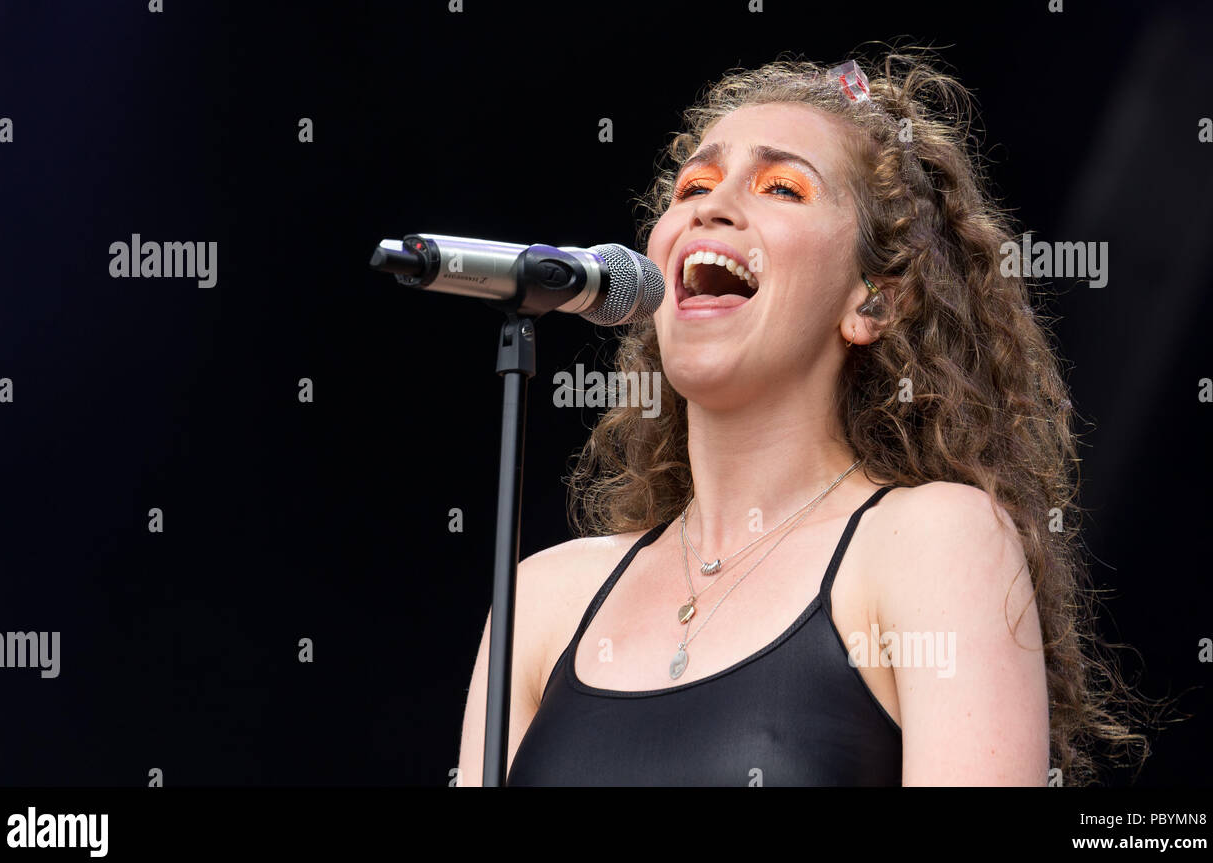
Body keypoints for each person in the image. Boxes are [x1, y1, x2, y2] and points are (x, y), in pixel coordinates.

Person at [458, 51, 1145, 786]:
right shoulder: (542, 598)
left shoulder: (931, 540)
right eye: (694, 185)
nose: (709, 206)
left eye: (782, 186)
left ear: (873, 301)